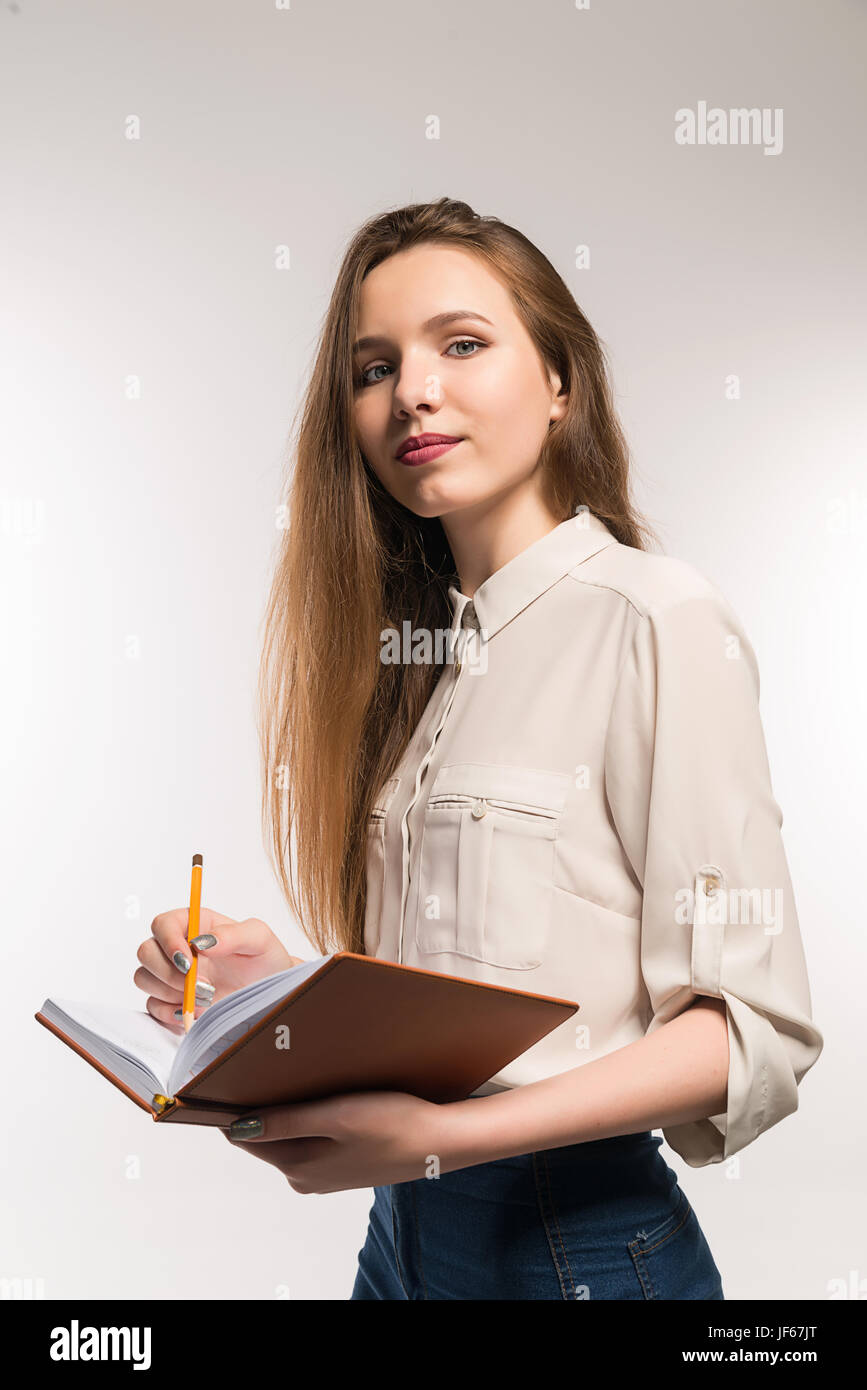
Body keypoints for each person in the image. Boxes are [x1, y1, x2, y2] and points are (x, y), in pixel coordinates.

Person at [134, 198, 823, 1300]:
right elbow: (481, 994)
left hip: (571, 1248)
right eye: (373, 367)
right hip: (403, 1241)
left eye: (461, 344)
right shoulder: (422, 654)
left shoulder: (657, 620)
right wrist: (277, 991)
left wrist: (436, 1141)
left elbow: (750, 1034)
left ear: (561, 383)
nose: (412, 390)